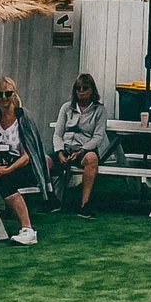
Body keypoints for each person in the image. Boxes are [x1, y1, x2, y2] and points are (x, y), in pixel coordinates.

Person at [0, 76, 44, 246]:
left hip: (22, 165)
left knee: (4, 180)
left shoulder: (23, 117)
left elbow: (28, 155)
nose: (4, 98)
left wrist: (7, 169)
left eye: (8, 93)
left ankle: (28, 228)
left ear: (14, 94)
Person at [50, 73, 110, 212]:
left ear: (92, 90)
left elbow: (98, 136)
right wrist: (59, 151)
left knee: (92, 159)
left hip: (84, 149)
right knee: (45, 160)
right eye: (78, 88)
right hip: (65, 147)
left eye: (85, 88)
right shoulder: (66, 108)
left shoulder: (99, 110)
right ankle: (52, 199)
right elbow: (57, 133)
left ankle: (85, 203)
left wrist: (82, 150)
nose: (81, 92)